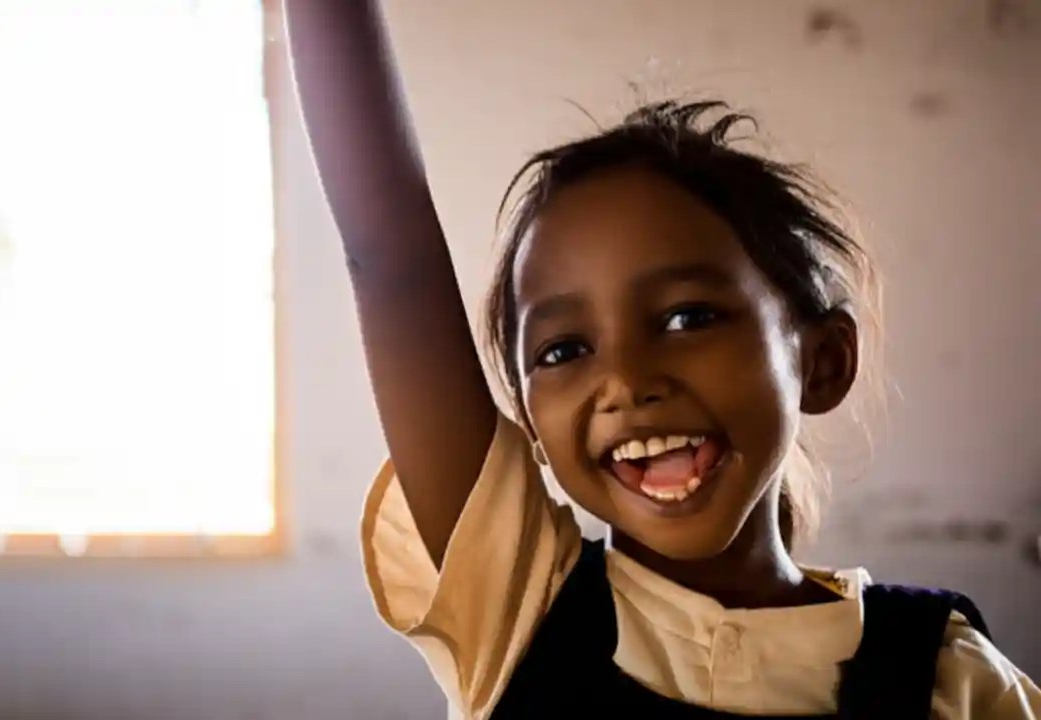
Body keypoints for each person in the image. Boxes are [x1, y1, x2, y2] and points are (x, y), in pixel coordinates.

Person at [285, 1, 1041, 717]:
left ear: (821, 360)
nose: (626, 381)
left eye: (687, 316)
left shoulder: (948, 680)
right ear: (531, 426)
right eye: (564, 349)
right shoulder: (515, 610)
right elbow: (391, 261)